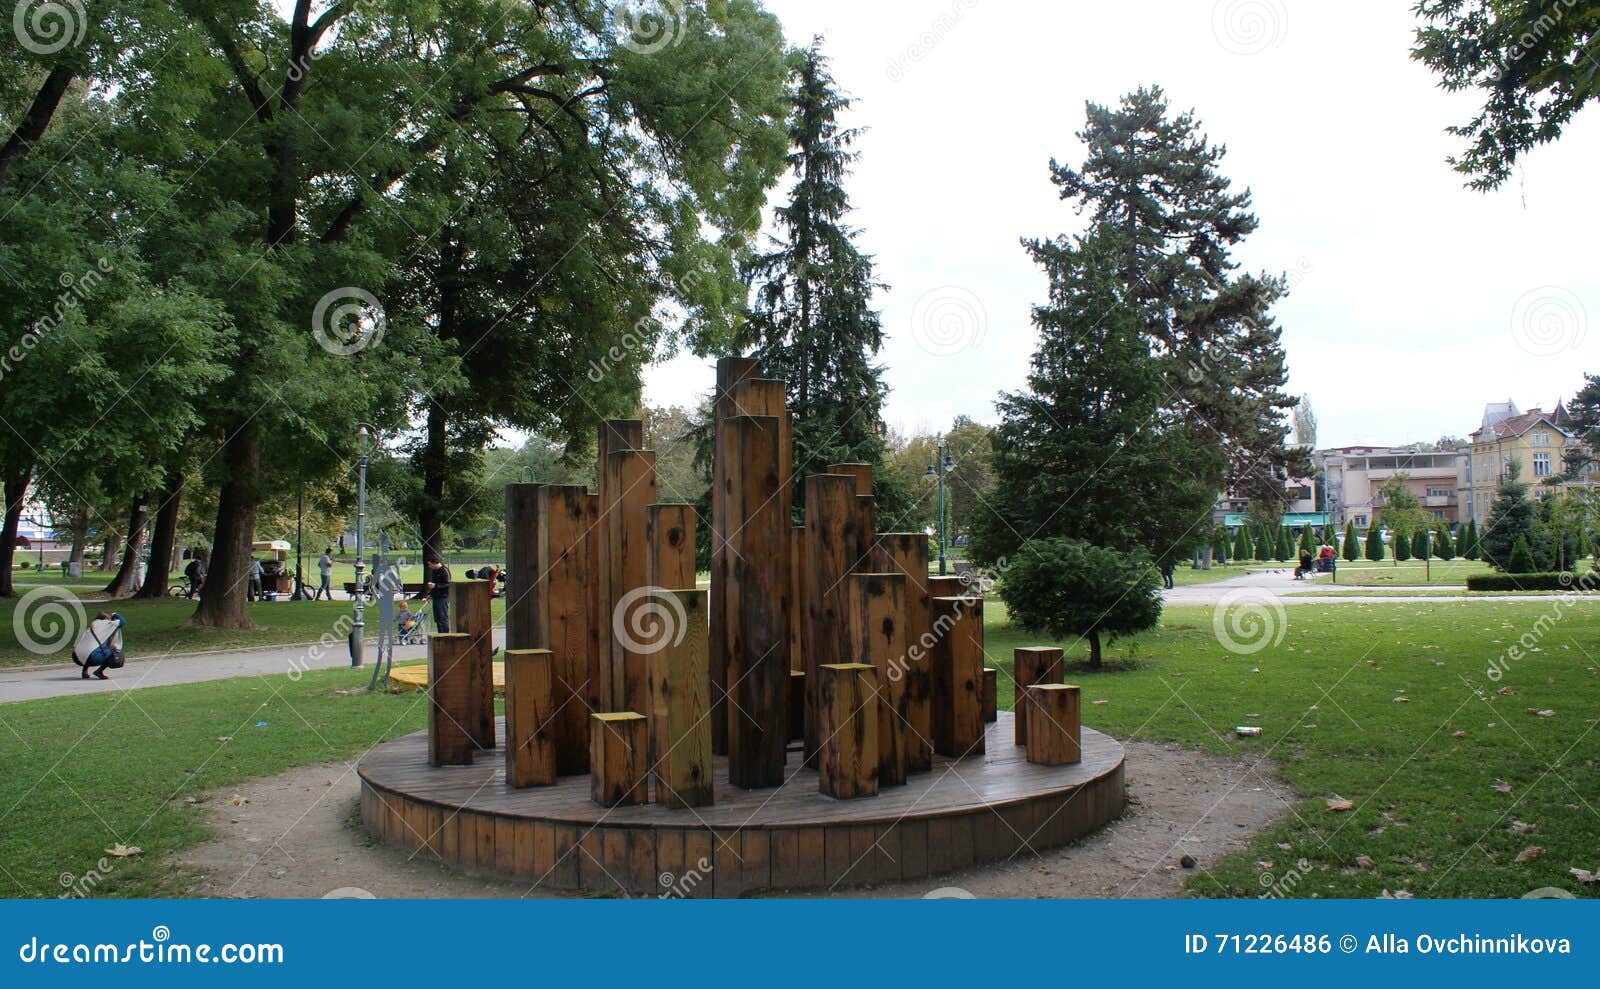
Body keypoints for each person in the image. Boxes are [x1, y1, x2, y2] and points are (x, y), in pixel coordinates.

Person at [423, 554, 452, 632]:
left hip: (443, 597)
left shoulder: (444, 570)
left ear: (434, 562)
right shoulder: (435, 571)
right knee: (437, 618)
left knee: (443, 617)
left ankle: (445, 635)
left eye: (429, 564)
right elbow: (434, 584)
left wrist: (436, 585)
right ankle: (440, 634)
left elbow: (448, 584)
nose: (429, 566)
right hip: (436, 597)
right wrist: (430, 595)